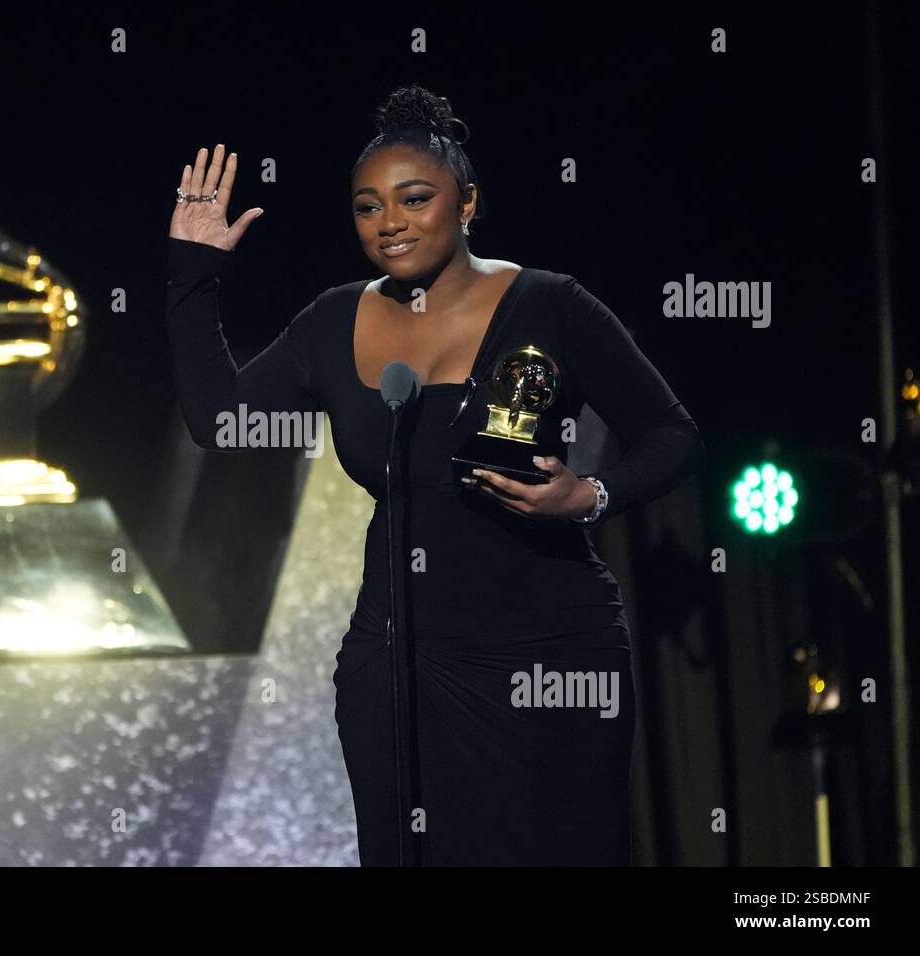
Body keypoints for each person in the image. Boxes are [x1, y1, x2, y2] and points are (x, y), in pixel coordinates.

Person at [164, 84, 705, 866]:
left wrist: (591, 494)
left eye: (414, 199)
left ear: (467, 202)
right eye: (367, 207)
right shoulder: (333, 321)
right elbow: (221, 422)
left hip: (552, 654)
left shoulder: (552, 305)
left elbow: (675, 436)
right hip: (399, 659)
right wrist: (193, 275)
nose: (391, 223)